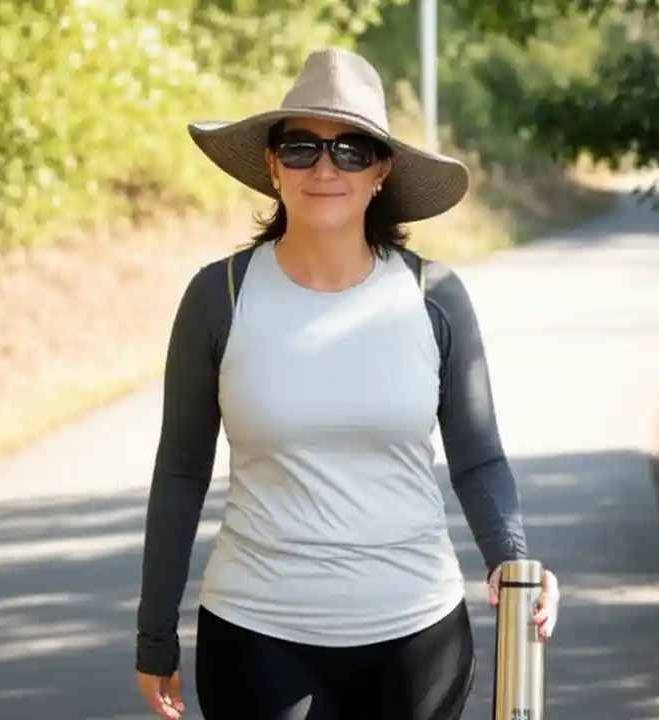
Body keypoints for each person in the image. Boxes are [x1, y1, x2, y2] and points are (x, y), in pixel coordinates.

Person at [133, 47, 559, 720]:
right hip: (255, 630)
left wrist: (512, 560)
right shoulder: (220, 296)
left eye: (351, 150)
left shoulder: (434, 296)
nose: (325, 167)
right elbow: (182, 469)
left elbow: (478, 458)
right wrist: (154, 632)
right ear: (272, 166)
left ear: (381, 170)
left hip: (418, 633)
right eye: (301, 148)